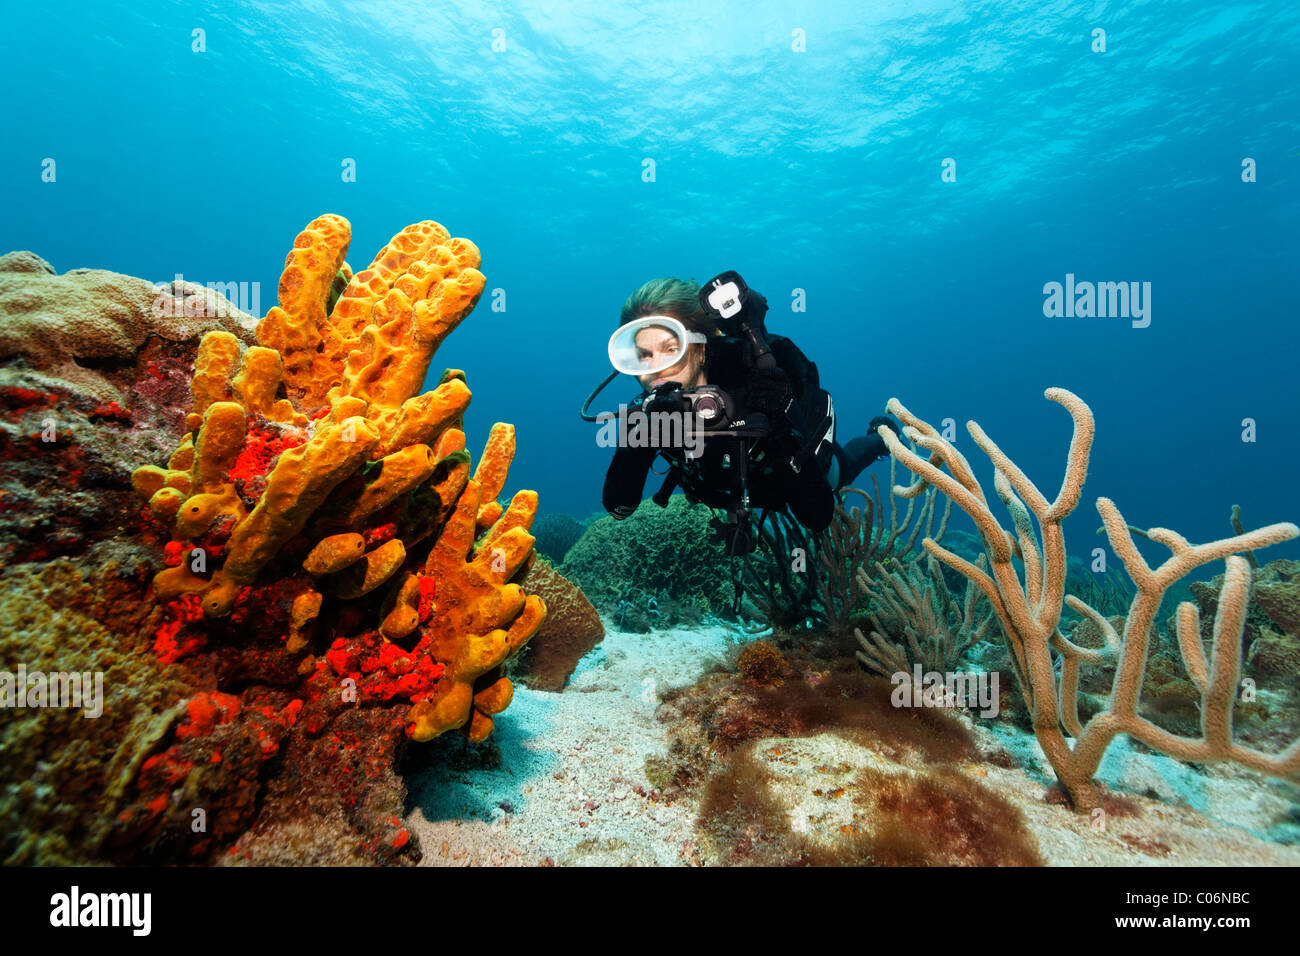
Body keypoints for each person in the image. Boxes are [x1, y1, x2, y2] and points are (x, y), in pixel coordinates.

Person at [599, 275, 898, 547]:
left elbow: (817, 517)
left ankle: (880, 437)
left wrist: (779, 425)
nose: (656, 369)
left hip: (778, 478)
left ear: (701, 350)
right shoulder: (653, 417)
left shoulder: (753, 387)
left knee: (839, 472)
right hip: (717, 487)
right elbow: (618, 508)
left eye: (670, 349)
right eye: (643, 356)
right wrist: (636, 444)